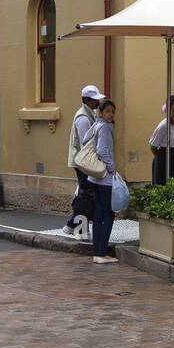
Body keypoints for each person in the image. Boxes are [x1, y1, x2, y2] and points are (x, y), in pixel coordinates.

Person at [80, 99, 119, 264]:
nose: (110, 114)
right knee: (107, 215)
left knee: (98, 215)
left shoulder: (96, 125)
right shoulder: (104, 127)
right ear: (101, 113)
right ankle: (101, 253)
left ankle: (98, 252)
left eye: (112, 111)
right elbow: (102, 150)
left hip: (94, 178)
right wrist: (111, 167)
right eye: (107, 111)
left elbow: (85, 140)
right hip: (104, 179)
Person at [64, 84, 104, 231]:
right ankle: (73, 224)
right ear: (86, 100)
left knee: (85, 192)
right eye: (95, 100)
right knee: (85, 193)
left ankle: (77, 225)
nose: (97, 103)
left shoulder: (88, 114)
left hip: (83, 161)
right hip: (83, 162)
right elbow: (85, 143)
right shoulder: (83, 118)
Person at [149, 94, 174, 185]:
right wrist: (162, 156)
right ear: (170, 107)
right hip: (165, 160)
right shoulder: (164, 125)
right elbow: (153, 146)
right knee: (164, 188)